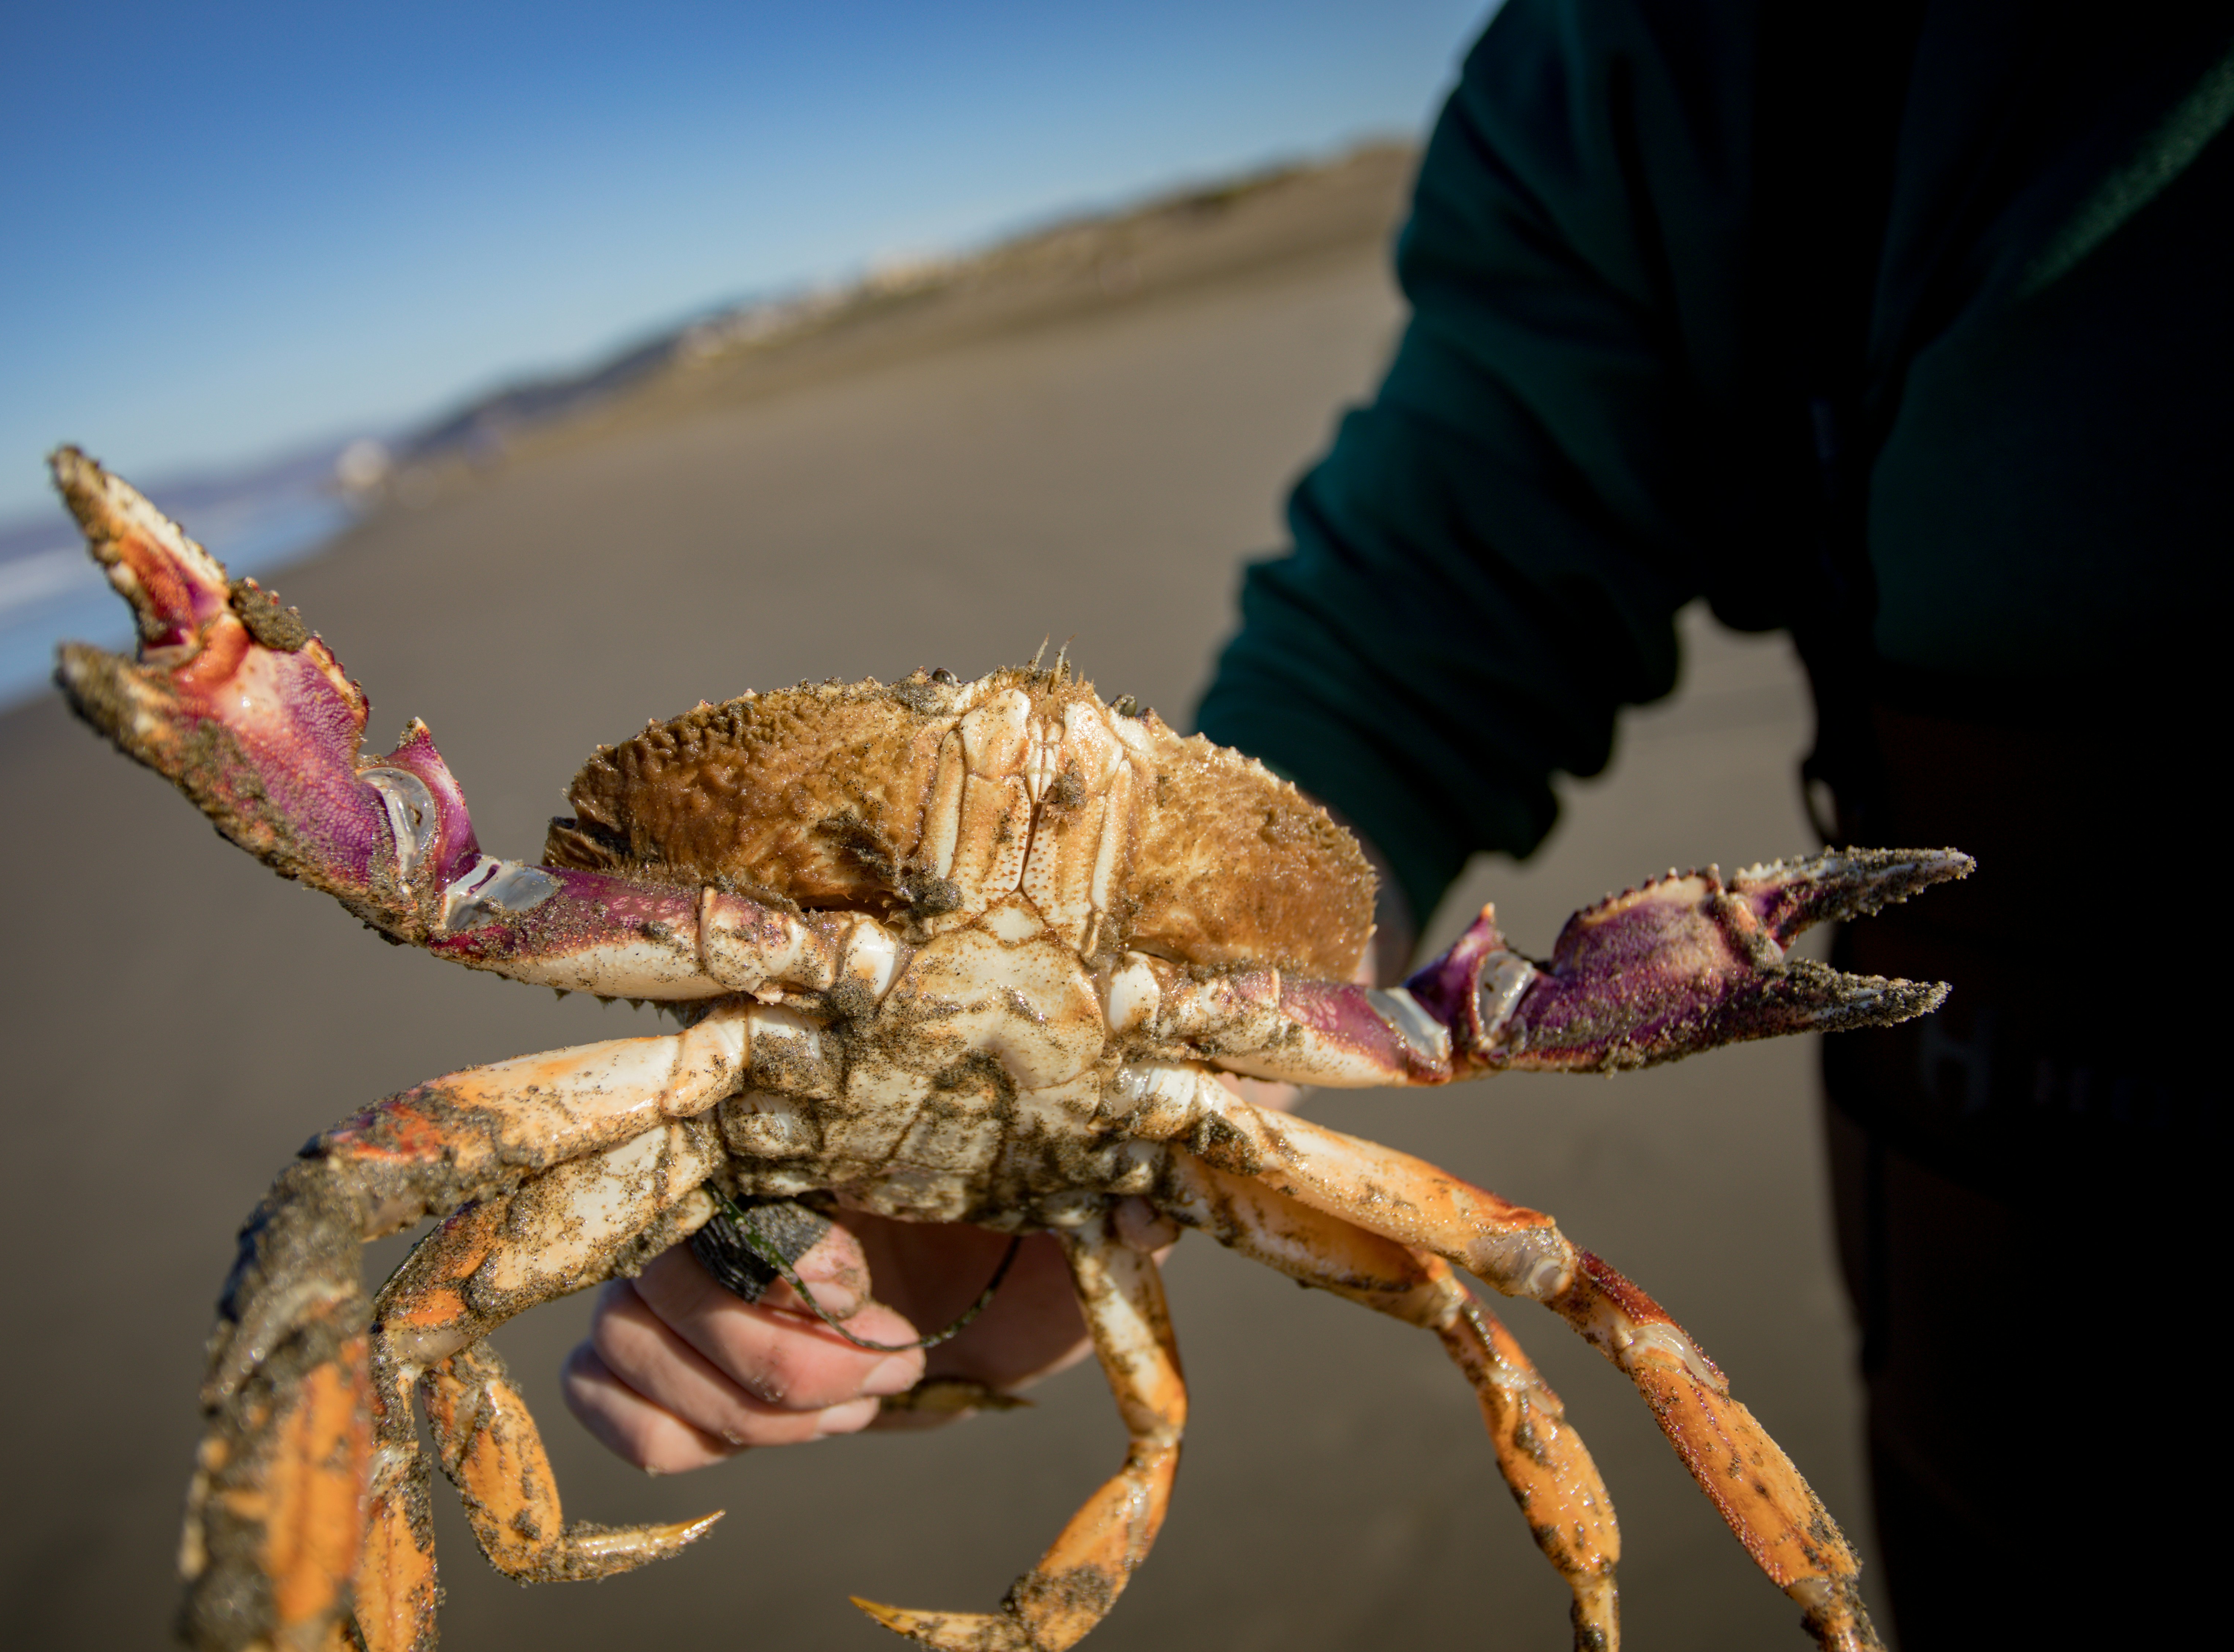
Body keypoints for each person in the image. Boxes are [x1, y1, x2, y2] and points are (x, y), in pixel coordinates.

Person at [565, 3, 2230, 1640]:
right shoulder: (1694, 58)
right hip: (2015, 1298)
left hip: (1995, 1128)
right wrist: (930, 1219)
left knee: (1555, 1312)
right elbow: (1427, 620)